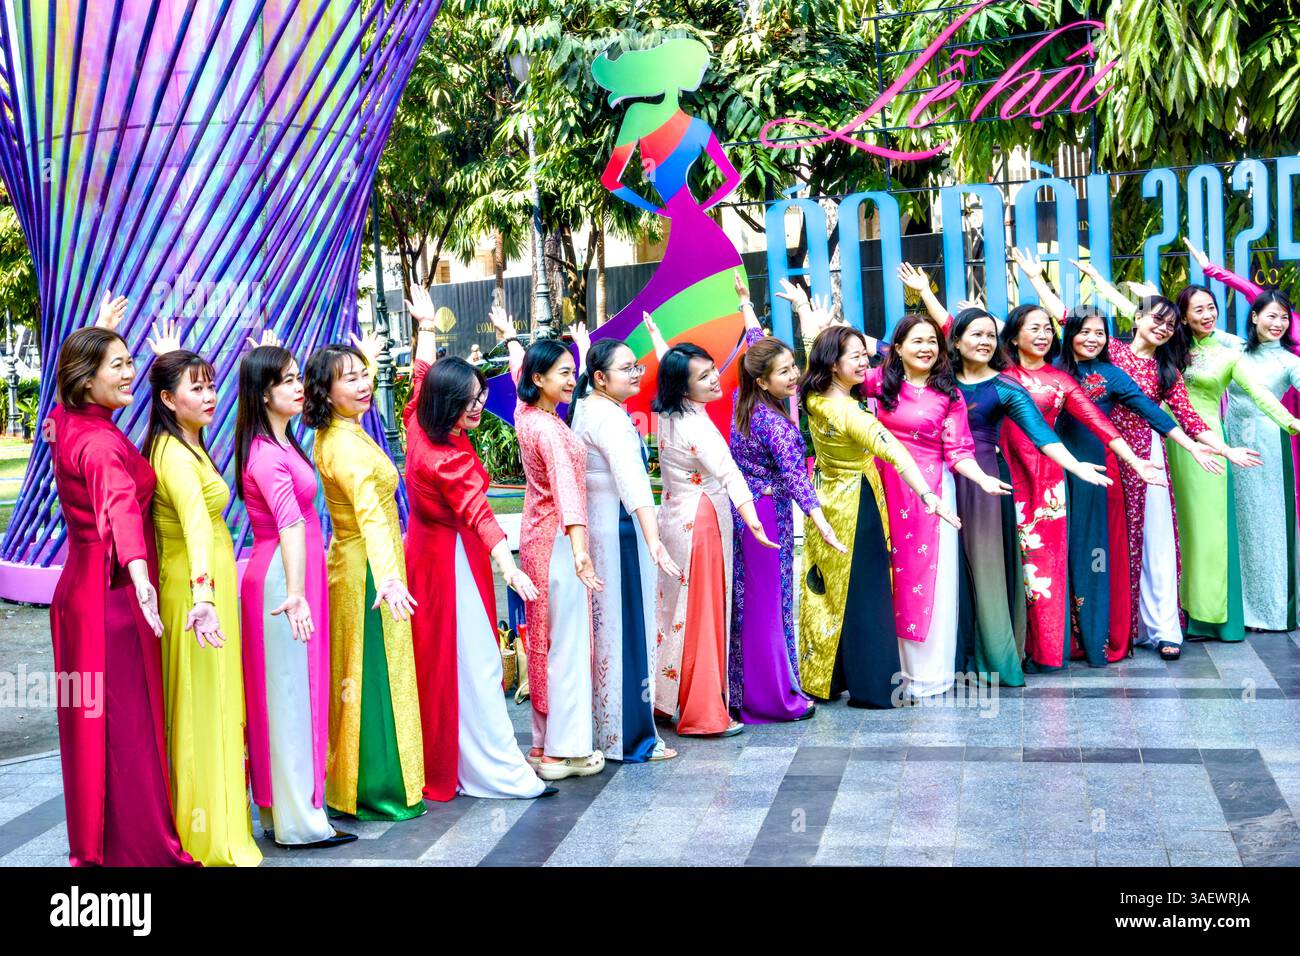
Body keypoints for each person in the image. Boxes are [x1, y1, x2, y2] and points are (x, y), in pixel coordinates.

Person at [46, 294, 196, 867]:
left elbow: (62, 401)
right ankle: (140, 848)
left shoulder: (65, 423)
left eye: (131, 361)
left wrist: (99, 331)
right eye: (118, 365)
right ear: (86, 380)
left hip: (76, 599)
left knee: (87, 727)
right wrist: (140, 577)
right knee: (128, 727)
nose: (131, 372)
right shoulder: (101, 443)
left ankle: (95, 844)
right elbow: (120, 509)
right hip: (112, 601)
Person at [402, 288, 552, 799]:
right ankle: (496, 771)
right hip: (453, 566)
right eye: (469, 400)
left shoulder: (418, 423)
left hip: (427, 557)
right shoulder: (446, 458)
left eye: (479, 396)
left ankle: (458, 760)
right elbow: (480, 515)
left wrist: (426, 326)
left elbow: (420, 374)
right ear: (447, 403)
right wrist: (509, 568)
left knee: (444, 663)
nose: (479, 406)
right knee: (477, 662)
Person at [996, 250, 1167, 670]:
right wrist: (1036, 279)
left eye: (1100, 333)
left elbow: (1135, 412)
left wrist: (1196, 445)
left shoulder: (1104, 374)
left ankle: (1091, 637)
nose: (1093, 338)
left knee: (1092, 554)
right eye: (1084, 331)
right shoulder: (1042, 370)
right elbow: (1052, 317)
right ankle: (1045, 640)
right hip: (1040, 474)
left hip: (1093, 470)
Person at [1087, 273, 1265, 658]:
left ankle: (1163, 627)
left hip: (1149, 455)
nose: (1163, 328)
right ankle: (1116, 625)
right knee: (1109, 541)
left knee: (1157, 542)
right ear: (1137, 318)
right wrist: (1042, 282)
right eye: (1157, 319)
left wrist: (1224, 450)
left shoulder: (1167, 371)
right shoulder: (1109, 351)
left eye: (1170, 324)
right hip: (1105, 452)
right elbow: (1070, 322)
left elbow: (1189, 418)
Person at [945, 306, 1111, 684]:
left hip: (986, 481)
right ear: (956, 340)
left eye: (990, 335)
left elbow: (1040, 432)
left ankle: (995, 658)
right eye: (976, 334)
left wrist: (1075, 466)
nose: (985, 342)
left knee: (987, 569)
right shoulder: (941, 380)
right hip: (937, 481)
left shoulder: (1005, 386)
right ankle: (944, 660)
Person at [143, 331, 261, 867]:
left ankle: (219, 822)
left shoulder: (188, 442)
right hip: (195, 595)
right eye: (197, 388)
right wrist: (204, 597)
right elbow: (194, 525)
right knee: (202, 706)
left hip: (204, 587)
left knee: (217, 702)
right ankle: (206, 834)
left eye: (211, 385)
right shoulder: (174, 455)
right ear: (169, 400)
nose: (211, 396)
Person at [235, 333, 355, 849]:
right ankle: (297, 822)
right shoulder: (266, 455)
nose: (298, 386)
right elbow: (288, 524)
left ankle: (287, 811)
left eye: (296, 377)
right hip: (283, 582)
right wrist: (298, 592)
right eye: (286, 381)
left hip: (292, 578)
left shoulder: (282, 443)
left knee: (295, 692)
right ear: (264, 393)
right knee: (289, 696)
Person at [795, 317, 951, 707]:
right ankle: (876, 689)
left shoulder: (813, 396)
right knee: (868, 593)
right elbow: (894, 451)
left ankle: (826, 678)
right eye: (856, 357)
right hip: (857, 503)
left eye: (865, 356)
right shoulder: (850, 413)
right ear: (834, 364)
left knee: (830, 590)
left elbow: (814, 352)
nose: (865, 363)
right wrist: (927, 494)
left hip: (826, 498)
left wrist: (807, 323)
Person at [304, 337, 425, 820]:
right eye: (349, 378)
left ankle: (363, 783)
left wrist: (366, 358)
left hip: (364, 563)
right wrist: (389, 578)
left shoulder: (342, 430)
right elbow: (371, 514)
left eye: (364, 374)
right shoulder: (343, 445)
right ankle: (376, 787)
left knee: (369, 671)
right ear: (326, 391)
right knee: (372, 673)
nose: (363, 384)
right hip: (369, 570)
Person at [857, 314, 1010, 698]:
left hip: (932, 492)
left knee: (929, 577)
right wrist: (811, 324)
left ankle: (929, 674)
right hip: (885, 487)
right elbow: (833, 380)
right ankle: (891, 666)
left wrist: (981, 478)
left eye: (931, 341)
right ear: (898, 348)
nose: (926, 348)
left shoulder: (949, 395)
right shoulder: (880, 382)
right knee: (889, 575)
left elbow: (958, 451)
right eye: (917, 341)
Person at [729, 273, 844, 721]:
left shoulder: (744, 399)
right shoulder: (776, 424)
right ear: (763, 381)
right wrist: (823, 524)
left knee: (750, 603)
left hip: (744, 512)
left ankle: (743, 692)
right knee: (769, 606)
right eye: (785, 372)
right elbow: (798, 481)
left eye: (793, 365)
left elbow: (754, 345)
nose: (795, 375)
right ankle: (775, 698)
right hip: (767, 516)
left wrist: (746, 305)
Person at [497, 309, 607, 780]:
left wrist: (511, 340)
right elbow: (569, 496)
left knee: (544, 640)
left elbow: (519, 371)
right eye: (563, 373)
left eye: (572, 372)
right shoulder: (549, 430)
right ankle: (565, 752)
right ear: (538, 379)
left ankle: (544, 746)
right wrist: (581, 553)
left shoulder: (528, 414)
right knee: (567, 644)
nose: (571, 380)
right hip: (560, 545)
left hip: (536, 540)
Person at [652, 328, 777, 736]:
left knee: (677, 612)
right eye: (703, 376)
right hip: (703, 523)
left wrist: (659, 340)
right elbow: (730, 474)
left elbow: (669, 364)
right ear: (683, 387)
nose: (714, 379)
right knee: (704, 615)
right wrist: (753, 519)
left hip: (674, 518)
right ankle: (704, 713)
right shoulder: (698, 427)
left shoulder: (666, 413)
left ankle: (667, 699)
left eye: (712, 370)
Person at [1173, 239, 1300, 638]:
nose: (1277, 324)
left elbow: (1266, 397)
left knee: (1269, 527)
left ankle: (1273, 612)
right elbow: (1187, 324)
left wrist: (1294, 424)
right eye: (1270, 315)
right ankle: (1237, 608)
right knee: (1234, 528)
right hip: (1227, 441)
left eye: (1284, 318)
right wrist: (1211, 272)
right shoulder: (1233, 345)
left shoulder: (1289, 360)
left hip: (1268, 446)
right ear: (1255, 316)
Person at [567, 320, 681, 762]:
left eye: (637, 366)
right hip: (620, 533)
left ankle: (608, 731)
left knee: (606, 632)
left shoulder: (584, 406)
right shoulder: (611, 419)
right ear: (600, 377)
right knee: (629, 629)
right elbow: (634, 484)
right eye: (627, 368)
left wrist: (583, 347)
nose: (636, 373)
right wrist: (654, 541)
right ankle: (634, 739)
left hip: (598, 530)